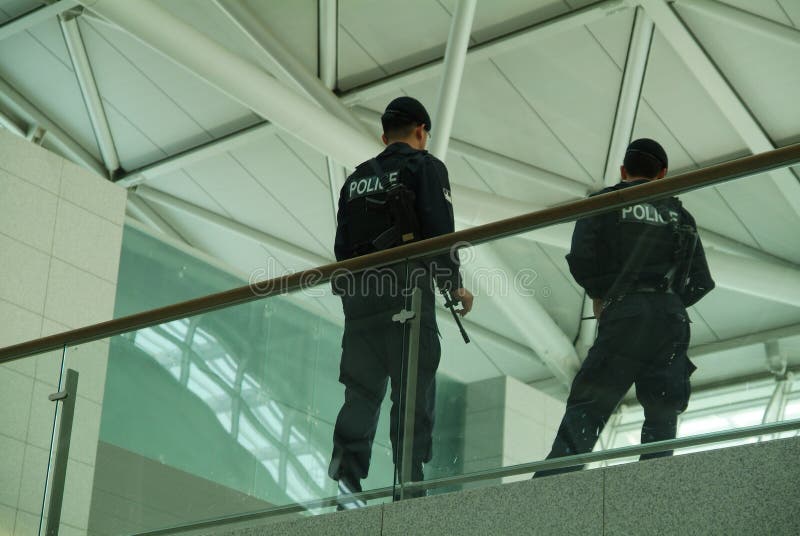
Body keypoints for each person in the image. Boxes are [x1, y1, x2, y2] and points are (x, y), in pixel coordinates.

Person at [535, 138, 715, 477]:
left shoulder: (606, 203)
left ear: (623, 170)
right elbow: (701, 280)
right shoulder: (679, 213)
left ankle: (554, 484)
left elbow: (582, 259)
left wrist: (606, 294)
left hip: (625, 314)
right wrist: (670, 300)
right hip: (670, 318)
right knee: (662, 413)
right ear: (662, 174)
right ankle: (651, 486)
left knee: (589, 405)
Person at [329, 96, 474, 505]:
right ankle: (408, 482)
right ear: (421, 131)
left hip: (359, 302)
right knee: (413, 386)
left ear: (384, 134)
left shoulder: (355, 180)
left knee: (360, 392)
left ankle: (347, 483)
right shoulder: (425, 166)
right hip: (407, 293)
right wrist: (455, 286)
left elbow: (342, 249)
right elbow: (440, 233)